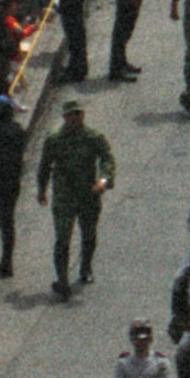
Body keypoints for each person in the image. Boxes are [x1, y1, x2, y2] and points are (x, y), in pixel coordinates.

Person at [38, 92, 116, 292]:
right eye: (71, 115)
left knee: (89, 234)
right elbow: (45, 166)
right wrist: (42, 190)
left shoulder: (93, 137)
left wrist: (104, 180)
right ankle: (62, 279)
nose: (75, 118)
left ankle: (86, 267)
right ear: (64, 117)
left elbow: (107, 158)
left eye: (78, 114)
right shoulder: (54, 140)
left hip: (88, 195)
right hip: (64, 197)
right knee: (62, 239)